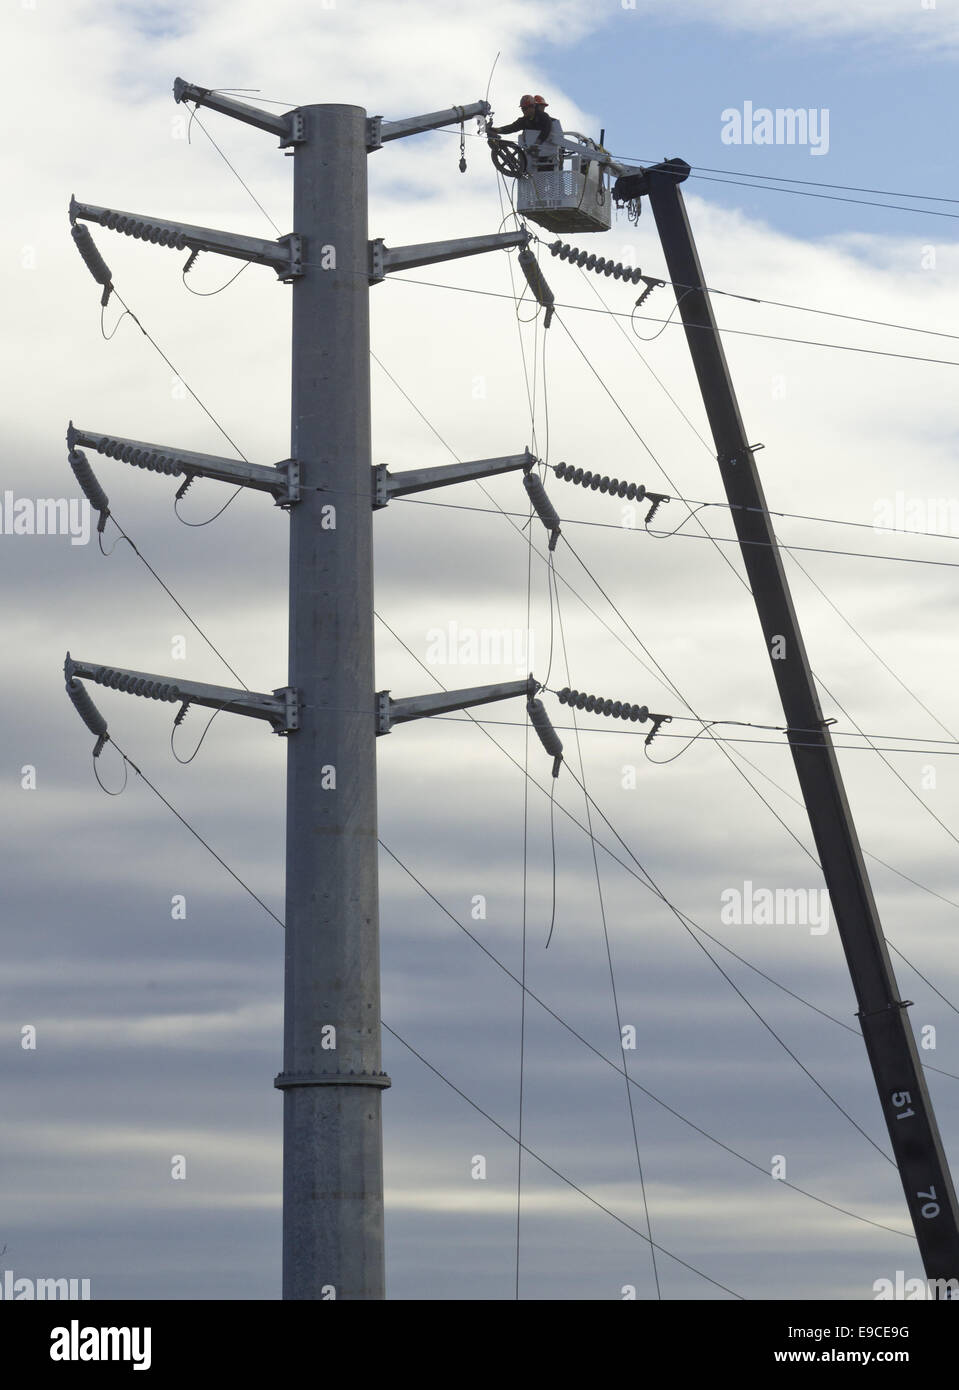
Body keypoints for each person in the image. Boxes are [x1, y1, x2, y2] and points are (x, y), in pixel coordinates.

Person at [490, 95, 564, 169]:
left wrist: (536, 144)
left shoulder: (543, 117)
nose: (523, 111)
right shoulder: (524, 121)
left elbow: (546, 129)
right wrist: (497, 130)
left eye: (525, 108)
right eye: (522, 108)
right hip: (532, 158)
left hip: (548, 156)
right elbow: (511, 127)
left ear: (533, 106)